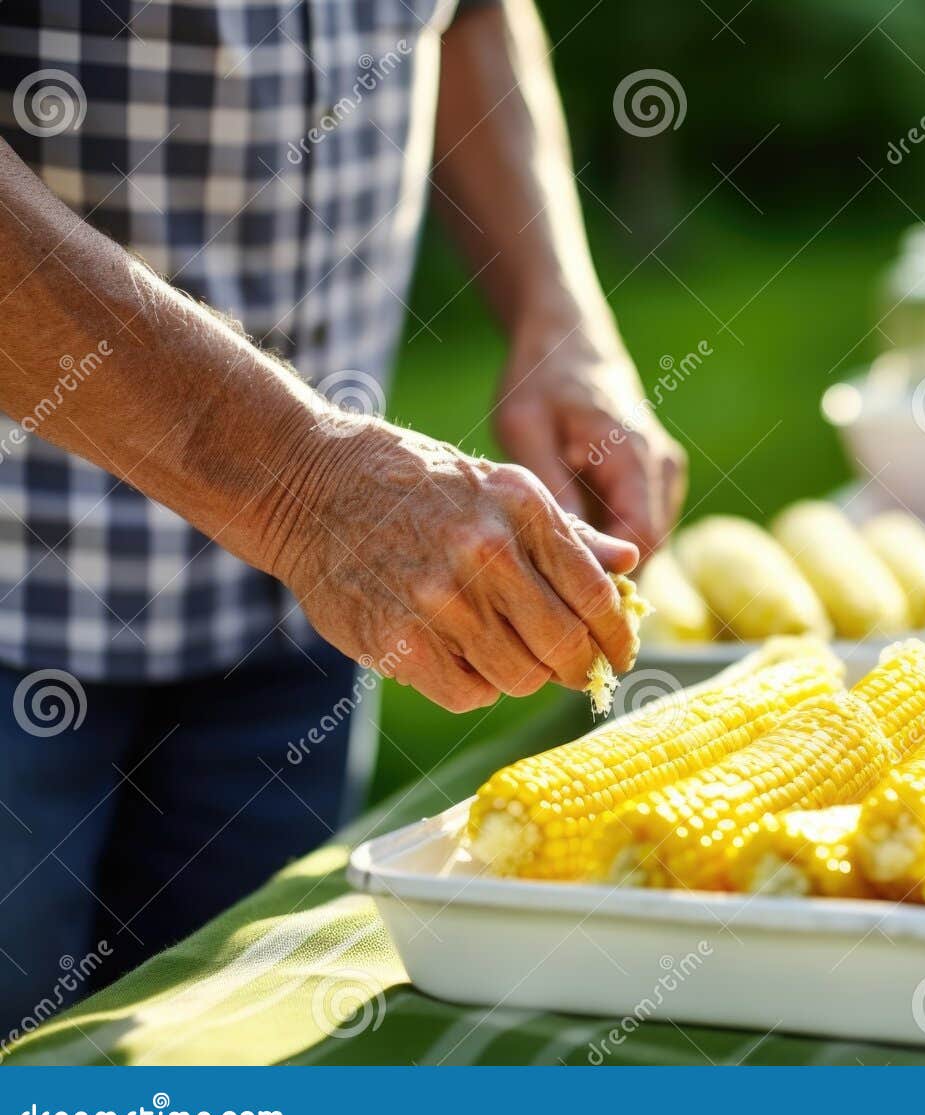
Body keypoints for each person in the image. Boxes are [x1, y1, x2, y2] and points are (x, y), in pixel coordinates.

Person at [0, 0, 684, 1030]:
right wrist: (305, 486)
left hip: (297, 630)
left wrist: (559, 306)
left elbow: (467, 14)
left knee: (237, 1075)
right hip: (24, 598)